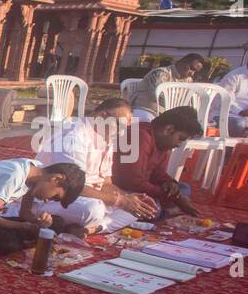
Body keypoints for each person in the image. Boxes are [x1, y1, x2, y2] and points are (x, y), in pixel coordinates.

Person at [24, 97, 156, 233]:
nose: (121, 132)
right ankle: (89, 225)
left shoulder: (107, 137)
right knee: (93, 209)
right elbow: (72, 186)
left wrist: (129, 199)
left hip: (92, 197)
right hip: (53, 198)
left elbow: (106, 182)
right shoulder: (73, 137)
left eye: (125, 128)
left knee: (136, 207)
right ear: (102, 116)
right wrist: (120, 201)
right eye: (119, 125)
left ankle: (91, 229)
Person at [0, 158, 85, 255]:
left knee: (57, 222)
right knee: (7, 243)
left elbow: (24, 213)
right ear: (56, 179)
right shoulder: (15, 174)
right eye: (55, 196)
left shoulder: (36, 172)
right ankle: (25, 239)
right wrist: (25, 227)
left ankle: (26, 239)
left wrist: (39, 221)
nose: (48, 200)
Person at [112, 106, 203, 218]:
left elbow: (158, 174)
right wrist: (175, 197)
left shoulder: (162, 142)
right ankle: (164, 212)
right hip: (121, 189)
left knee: (183, 188)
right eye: (180, 138)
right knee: (151, 207)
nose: (179, 144)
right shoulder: (140, 136)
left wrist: (170, 184)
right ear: (168, 130)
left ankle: (164, 209)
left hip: (143, 188)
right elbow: (132, 182)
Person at [127, 53, 205, 122]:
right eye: (192, 69)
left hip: (167, 114)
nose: (192, 73)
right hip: (146, 110)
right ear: (182, 62)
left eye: (195, 72)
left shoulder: (187, 80)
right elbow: (159, 96)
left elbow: (188, 100)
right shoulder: (161, 73)